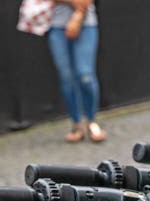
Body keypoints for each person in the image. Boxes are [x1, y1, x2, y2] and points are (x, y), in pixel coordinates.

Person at [48, 0, 106, 142]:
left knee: (85, 75)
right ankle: (76, 124)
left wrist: (78, 16)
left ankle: (91, 121)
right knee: (66, 78)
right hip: (56, 27)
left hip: (86, 25)